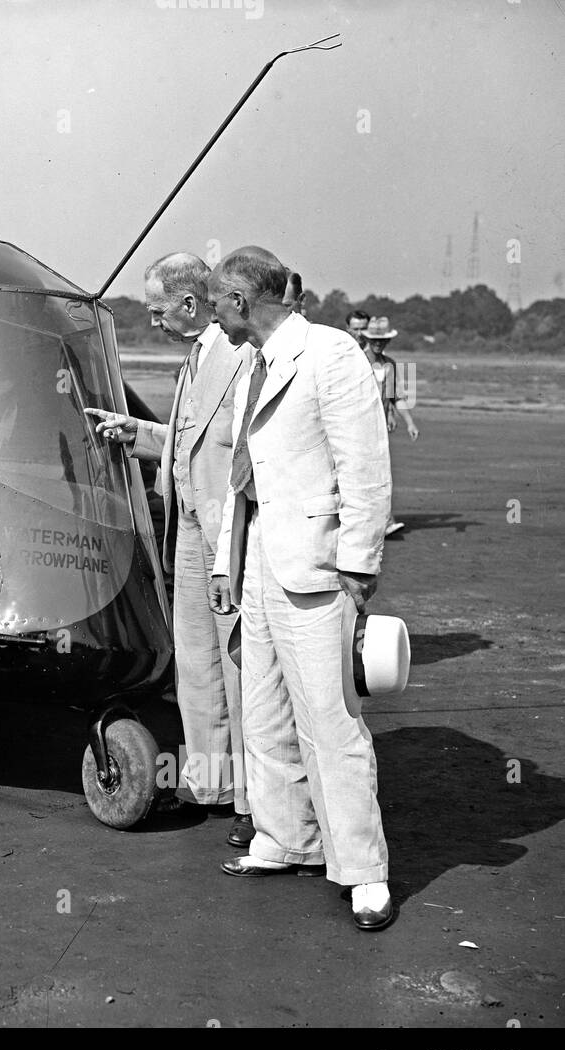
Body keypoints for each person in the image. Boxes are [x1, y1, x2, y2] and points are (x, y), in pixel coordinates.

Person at [206, 246, 396, 932]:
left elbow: (364, 462)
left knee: (331, 720)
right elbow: (243, 469)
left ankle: (364, 871)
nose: (213, 315)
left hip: (314, 563)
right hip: (259, 558)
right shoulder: (251, 363)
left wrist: (360, 560)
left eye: (217, 303)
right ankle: (287, 840)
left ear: (239, 301)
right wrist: (229, 560)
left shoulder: (331, 353)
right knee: (263, 710)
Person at [85, 252, 252, 845]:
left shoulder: (241, 355)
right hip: (187, 532)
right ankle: (214, 789)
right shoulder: (197, 357)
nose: (152, 321)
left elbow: (243, 451)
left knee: (238, 667)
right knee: (199, 669)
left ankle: (256, 805)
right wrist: (137, 433)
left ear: (188, 303)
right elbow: (191, 440)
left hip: (225, 538)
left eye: (157, 311)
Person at [363, 316, 418, 537]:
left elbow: (395, 396)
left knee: (380, 473)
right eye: (375, 339)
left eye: (382, 340)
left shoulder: (389, 365)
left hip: (379, 429)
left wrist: (409, 422)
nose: (378, 343)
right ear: (368, 339)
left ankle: (384, 521)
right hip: (357, 426)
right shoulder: (357, 360)